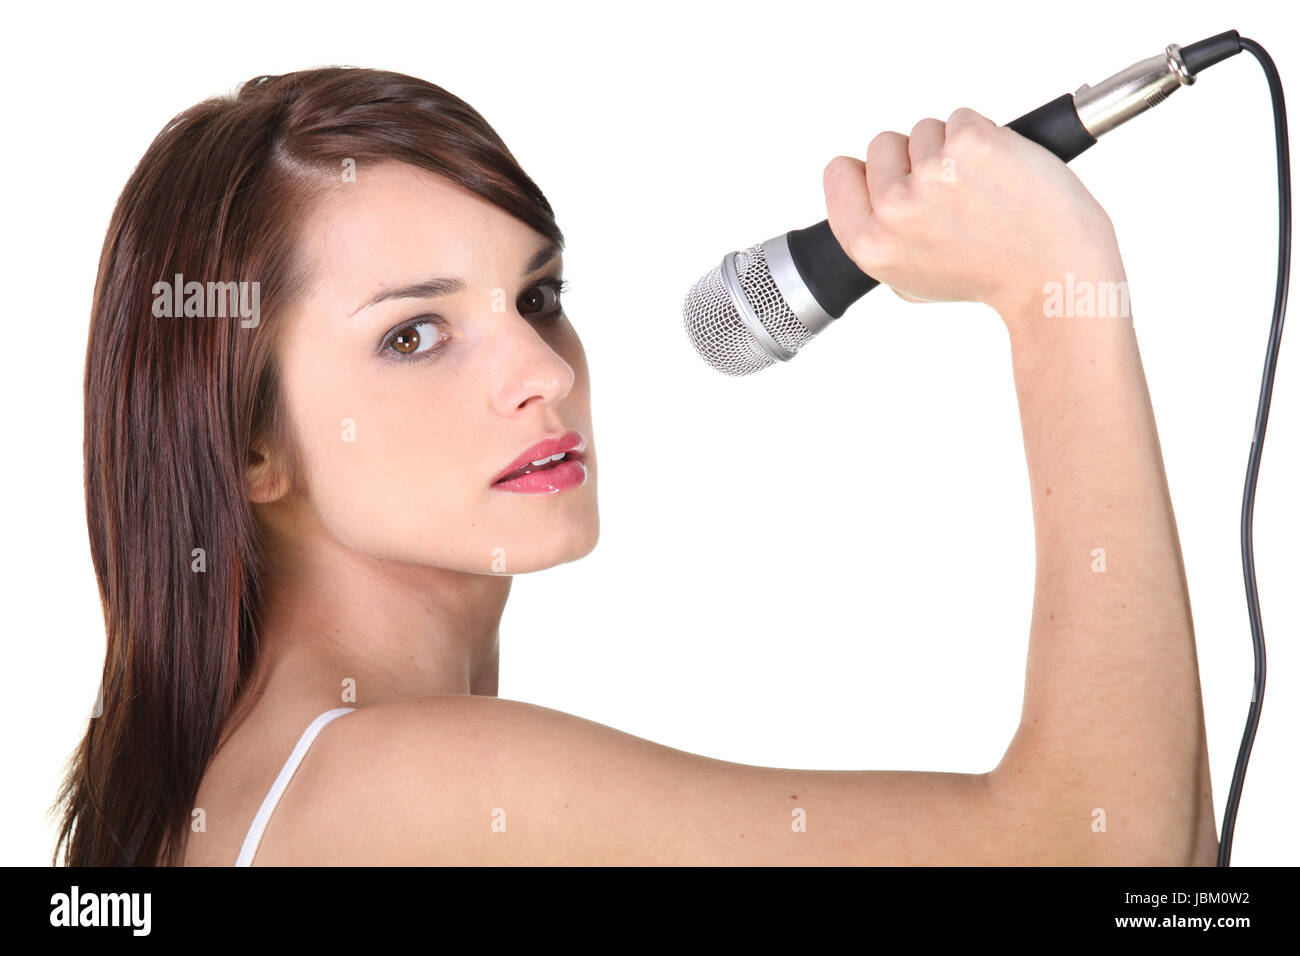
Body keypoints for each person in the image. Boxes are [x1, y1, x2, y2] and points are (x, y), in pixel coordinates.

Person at [53, 67, 1218, 865]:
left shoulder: (277, 780)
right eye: (414, 333)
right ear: (249, 443)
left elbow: (1162, 858)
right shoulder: (390, 780)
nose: (542, 371)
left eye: (538, 297)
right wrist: (1058, 289)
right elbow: (1100, 855)